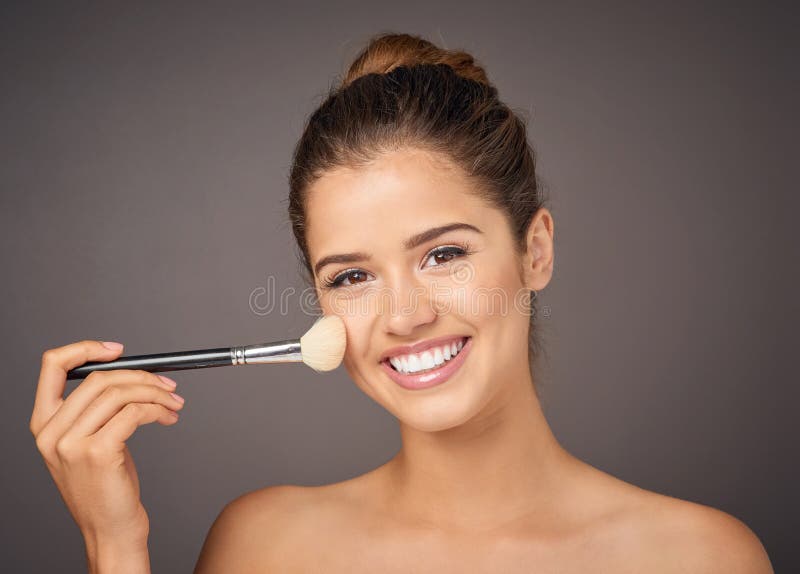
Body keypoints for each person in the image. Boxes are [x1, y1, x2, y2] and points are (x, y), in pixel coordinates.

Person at [30, 32, 773, 573]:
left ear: (534, 250)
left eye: (444, 254)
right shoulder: (262, 547)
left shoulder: (702, 557)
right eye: (351, 277)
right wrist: (114, 547)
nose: (404, 316)